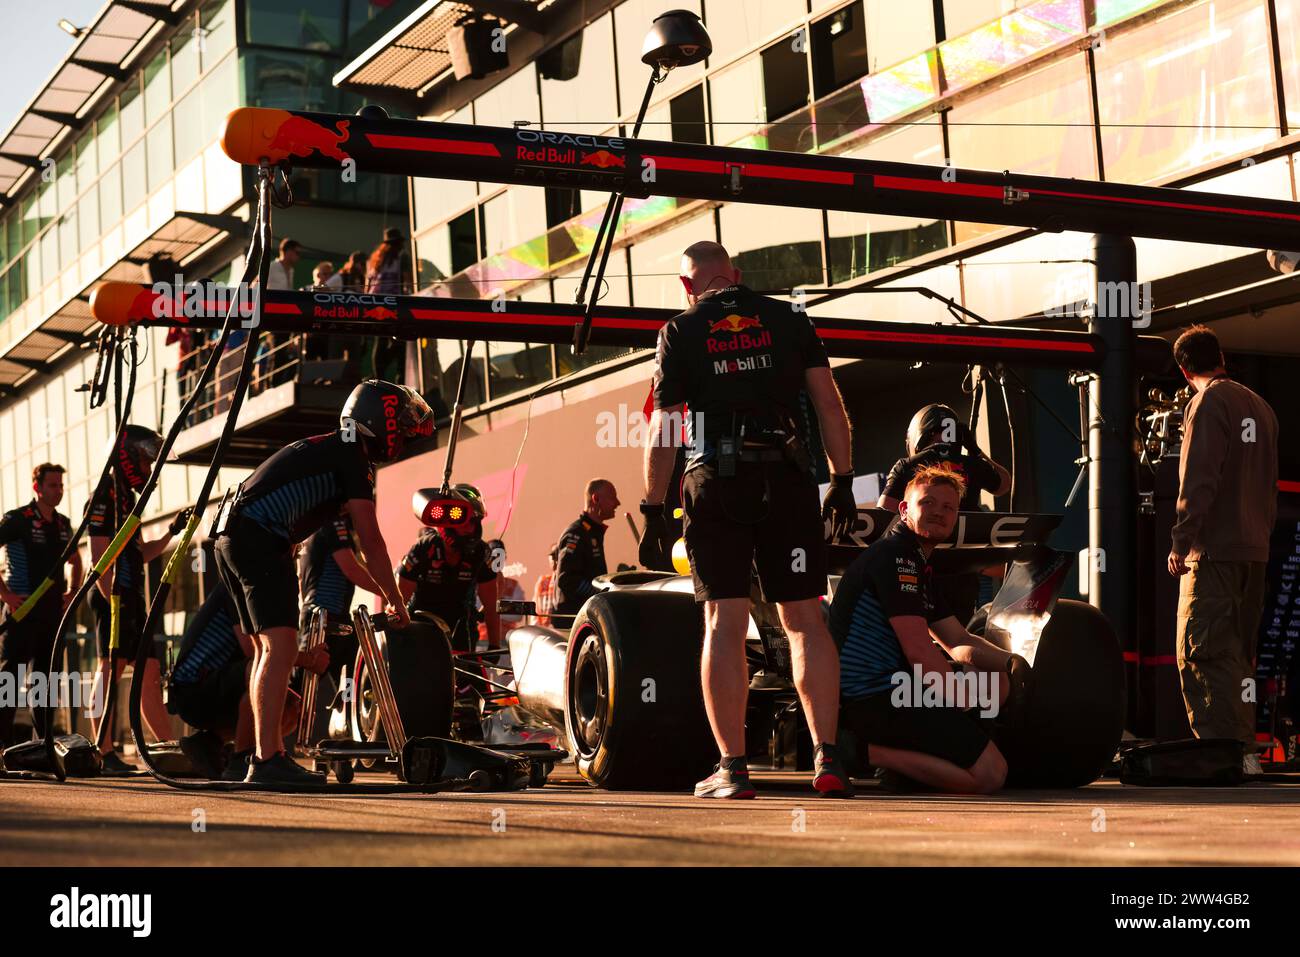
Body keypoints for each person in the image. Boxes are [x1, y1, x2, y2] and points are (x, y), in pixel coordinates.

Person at [640, 240, 856, 799]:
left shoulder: (681, 331)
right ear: (736, 275)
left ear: (689, 286)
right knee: (806, 619)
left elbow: (665, 428)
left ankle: (733, 770)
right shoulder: (788, 317)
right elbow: (829, 402)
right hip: (786, 477)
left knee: (724, 622)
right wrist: (841, 480)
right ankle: (828, 760)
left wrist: (654, 507)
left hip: (716, 481)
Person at [212, 379, 425, 785]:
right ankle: (268, 759)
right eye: (402, 419)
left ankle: (257, 757)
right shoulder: (352, 456)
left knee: (265, 650)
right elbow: (371, 539)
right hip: (257, 537)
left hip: (231, 537)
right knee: (280, 646)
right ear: (380, 418)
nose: (407, 430)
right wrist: (396, 601)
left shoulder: (334, 446)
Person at [832, 466, 1027, 794]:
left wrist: (1014, 662)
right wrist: (961, 702)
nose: (939, 512)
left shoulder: (916, 562)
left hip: (894, 688)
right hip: (871, 700)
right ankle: (861, 752)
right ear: (905, 510)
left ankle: (916, 763)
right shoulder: (897, 559)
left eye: (948, 508)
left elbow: (958, 640)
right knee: (991, 775)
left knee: (997, 684)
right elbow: (919, 651)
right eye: (928, 503)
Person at [1167, 324, 1278, 776]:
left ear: (1182, 369)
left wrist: (1181, 539)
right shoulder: (1261, 407)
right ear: (1222, 356)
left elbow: (1199, 478)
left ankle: (1223, 758)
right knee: (1236, 655)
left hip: (1213, 554)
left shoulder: (1208, 402)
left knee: (1201, 652)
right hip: (1254, 551)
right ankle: (1247, 755)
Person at [87, 427, 190, 772]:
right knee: (110, 670)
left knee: (149, 671)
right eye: (147, 461)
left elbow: (138, 552)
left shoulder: (128, 500)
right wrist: (111, 598)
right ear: (129, 459)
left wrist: (170, 534)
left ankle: (164, 750)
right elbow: (99, 556)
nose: (150, 469)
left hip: (130, 595)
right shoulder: (103, 497)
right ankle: (103, 751)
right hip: (111, 594)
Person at [167, 583, 329, 781]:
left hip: (214, 684)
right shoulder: (239, 586)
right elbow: (253, 649)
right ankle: (240, 760)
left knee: (291, 707)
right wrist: (309, 660)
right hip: (192, 690)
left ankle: (211, 742)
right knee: (257, 673)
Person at [877, 403, 1011, 625]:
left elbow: (882, 516)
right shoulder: (971, 464)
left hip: (920, 568)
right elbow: (1003, 484)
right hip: (963, 572)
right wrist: (976, 451)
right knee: (958, 635)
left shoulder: (908, 464)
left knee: (919, 637)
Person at [0, 464, 82, 745]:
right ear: (37, 487)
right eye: (52, 485)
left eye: (61, 486)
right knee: (9, 683)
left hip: (52, 617)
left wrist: (72, 591)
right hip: (20, 613)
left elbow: (76, 560)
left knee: (46, 683)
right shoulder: (16, 519)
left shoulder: (63, 524)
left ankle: (42, 747)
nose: (58, 491)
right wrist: (6, 595)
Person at [398, 485, 503, 654]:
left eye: (474, 523)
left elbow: (491, 607)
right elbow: (400, 600)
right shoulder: (424, 548)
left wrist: (494, 646)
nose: (470, 529)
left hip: (462, 631)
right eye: (465, 523)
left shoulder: (482, 553)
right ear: (447, 523)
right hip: (420, 625)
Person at [298, 510, 383, 690]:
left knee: (351, 675)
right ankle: (288, 715)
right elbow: (351, 569)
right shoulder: (332, 522)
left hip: (332, 618)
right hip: (322, 620)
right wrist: (389, 594)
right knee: (303, 682)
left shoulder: (313, 526)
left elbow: (301, 579)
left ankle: (346, 709)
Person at [552, 480, 618, 618]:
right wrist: (599, 593)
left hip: (584, 617)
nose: (618, 503)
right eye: (612, 497)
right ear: (596, 499)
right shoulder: (576, 533)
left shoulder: (592, 532)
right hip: (571, 620)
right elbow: (567, 579)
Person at [365, 229, 409, 382]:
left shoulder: (374, 260)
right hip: (394, 304)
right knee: (399, 341)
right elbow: (407, 282)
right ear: (398, 244)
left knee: (380, 340)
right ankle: (399, 376)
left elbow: (368, 284)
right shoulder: (401, 257)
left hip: (375, 304)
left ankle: (379, 376)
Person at [531, 546, 558, 627]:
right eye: (552, 556)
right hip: (545, 632)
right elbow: (535, 611)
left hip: (563, 630)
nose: (554, 559)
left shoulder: (570, 581)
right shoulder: (543, 581)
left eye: (557, 555)